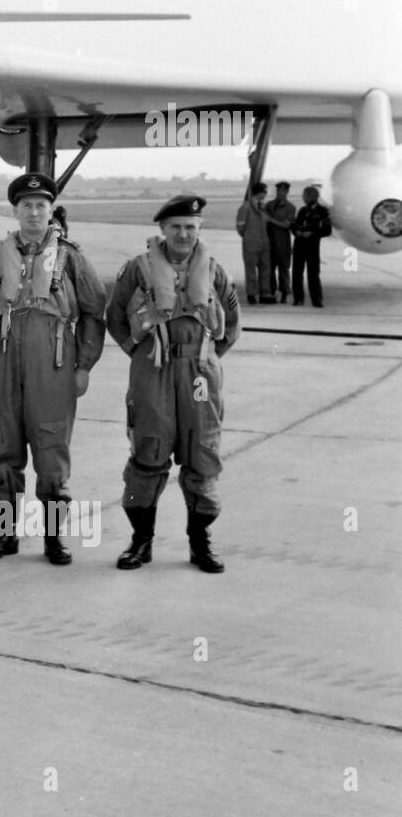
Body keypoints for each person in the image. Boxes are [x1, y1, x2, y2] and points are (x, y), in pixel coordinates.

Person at [0, 173, 107, 566]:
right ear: (15, 211)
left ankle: (53, 538)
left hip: (54, 362)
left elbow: (95, 313)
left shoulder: (70, 256)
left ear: (50, 211)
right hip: (3, 358)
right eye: (25, 205)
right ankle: (6, 534)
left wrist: (85, 366)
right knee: (2, 448)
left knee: (51, 450)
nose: (33, 212)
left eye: (40, 205)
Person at [106, 195, 241, 575]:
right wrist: (139, 353)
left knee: (202, 455)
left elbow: (231, 324)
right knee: (147, 452)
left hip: (199, 374)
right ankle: (141, 541)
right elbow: (115, 318)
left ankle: (201, 545)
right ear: (162, 230)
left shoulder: (214, 271)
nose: (183, 234)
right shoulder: (137, 270)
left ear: (199, 230)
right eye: (176, 227)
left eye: (190, 227)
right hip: (153, 370)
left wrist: (207, 360)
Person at [292, 184, 333, 308]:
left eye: (305, 195)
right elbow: (296, 225)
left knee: (313, 274)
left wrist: (313, 233)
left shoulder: (323, 211)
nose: (303, 198)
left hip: (312, 246)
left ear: (311, 196)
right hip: (299, 245)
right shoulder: (302, 211)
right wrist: (296, 232)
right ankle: (298, 299)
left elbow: (327, 230)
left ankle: (317, 299)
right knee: (297, 273)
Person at [234, 183, 274, 304]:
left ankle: (264, 294)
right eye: (264, 192)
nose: (265, 194)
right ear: (260, 192)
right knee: (251, 270)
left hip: (264, 243)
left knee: (265, 269)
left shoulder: (263, 207)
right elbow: (240, 226)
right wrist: (248, 237)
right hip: (251, 243)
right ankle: (252, 294)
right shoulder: (245, 208)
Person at [263, 181, 296, 303]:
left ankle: (284, 292)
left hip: (282, 242)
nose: (280, 193)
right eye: (278, 191)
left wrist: (270, 219)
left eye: (283, 191)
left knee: (283, 269)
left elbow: (286, 225)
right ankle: (272, 291)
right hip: (270, 241)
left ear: (287, 192)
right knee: (270, 269)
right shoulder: (270, 205)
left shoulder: (290, 208)